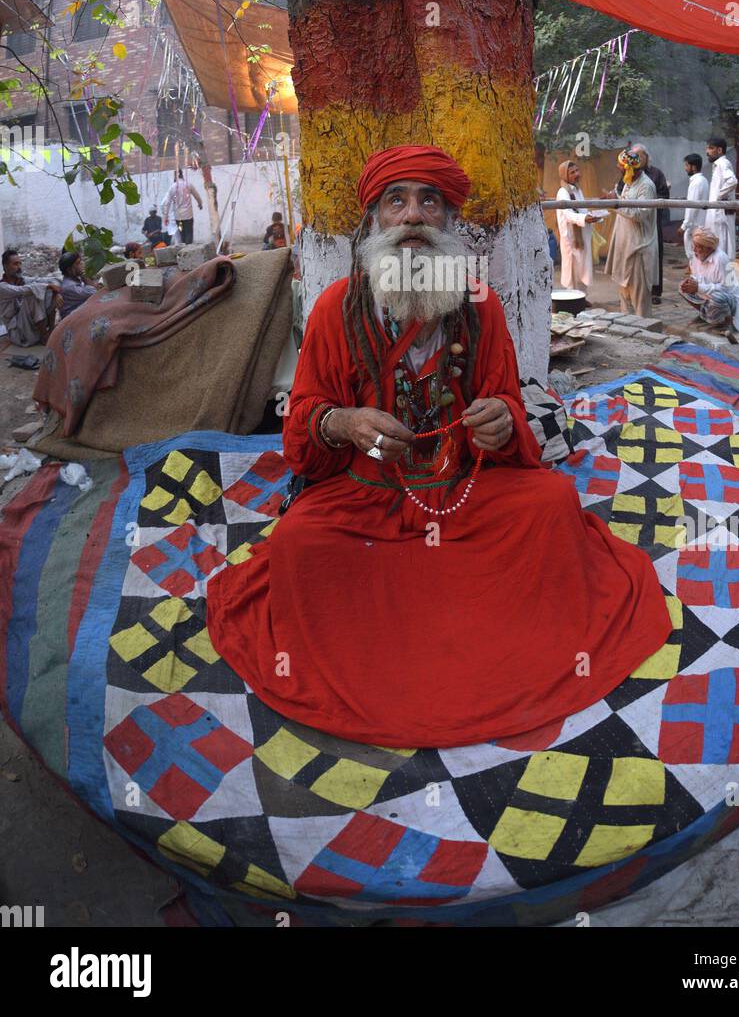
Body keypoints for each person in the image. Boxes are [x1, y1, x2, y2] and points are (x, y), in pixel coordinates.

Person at [207, 143, 671, 747]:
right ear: (375, 221)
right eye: (396, 201)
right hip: (368, 496)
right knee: (300, 542)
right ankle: (398, 654)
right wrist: (344, 424)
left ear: (450, 222)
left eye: (430, 201)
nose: (413, 216)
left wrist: (501, 420)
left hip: (463, 490)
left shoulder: (480, 306)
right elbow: (302, 427)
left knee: (551, 505)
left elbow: (507, 402)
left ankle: (489, 644)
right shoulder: (334, 309)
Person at [604, 149, 658, 317]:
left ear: (627, 168)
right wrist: (616, 198)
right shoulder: (628, 182)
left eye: (620, 165)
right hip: (625, 247)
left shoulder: (646, 186)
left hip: (638, 248)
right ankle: (627, 330)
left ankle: (645, 335)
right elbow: (625, 204)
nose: (617, 167)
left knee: (639, 297)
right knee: (625, 295)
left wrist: (616, 203)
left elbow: (640, 214)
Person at [679, 226, 739, 344]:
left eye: (697, 247)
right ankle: (705, 315)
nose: (694, 249)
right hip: (707, 294)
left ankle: (725, 322)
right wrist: (691, 282)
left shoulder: (722, 259)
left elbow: (727, 289)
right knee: (683, 287)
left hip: (730, 299)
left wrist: (698, 287)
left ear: (707, 248)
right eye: (694, 246)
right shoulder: (696, 256)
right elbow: (696, 276)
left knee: (717, 298)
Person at [629, 144, 669, 303]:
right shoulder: (629, 173)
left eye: (640, 156)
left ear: (646, 156)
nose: (637, 159)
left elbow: (664, 194)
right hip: (634, 222)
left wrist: (647, 199)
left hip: (652, 221)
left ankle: (655, 292)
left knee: (654, 253)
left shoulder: (656, 174)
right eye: (634, 156)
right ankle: (635, 289)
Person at [555, 159, 603, 290]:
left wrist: (591, 216)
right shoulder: (563, 192)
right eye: (572, 172)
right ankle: (573, 301)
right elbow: (568, 215)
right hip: (572, 239)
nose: (577, 174)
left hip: (582, 236)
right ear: (565, 175)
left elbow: (582, 210)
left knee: (583, 268)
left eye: (577, 170)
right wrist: (584, 218)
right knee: (572, 271)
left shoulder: (577, 189)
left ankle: (582, 296)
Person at [0, 247, 61, 344]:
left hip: (29, 325)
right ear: (5, 266)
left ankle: (51, 331)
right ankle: (44, 336)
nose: (19, 267)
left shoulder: (22, 280)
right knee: (32, 294)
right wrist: (49, 286)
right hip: (18, 332)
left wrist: (56, 292)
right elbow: (22, 290)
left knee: (48, 291)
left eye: (20, 263)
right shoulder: (2, 287)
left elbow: (45, 280)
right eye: (15, 264)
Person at [706, 136, 738, 260]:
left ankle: (724, 277)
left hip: (721, 213)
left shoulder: (722, 163)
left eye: (710, 148)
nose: (707, 152)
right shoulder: (718, 165)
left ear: (719, 150)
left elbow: (732, 181)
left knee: (723, 246)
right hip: (718, 213)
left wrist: (718, 197)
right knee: (719, 245)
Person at [679, 153, 710, 258]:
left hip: (694, 225)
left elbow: (692, 206)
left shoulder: (697, 183)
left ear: (694, 167)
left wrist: (684, 226)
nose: (685, 168)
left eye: (687, 165)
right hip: (699, 223)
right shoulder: (703, 180)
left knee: (694, 254)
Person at [161, 170, 202, 245]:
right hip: (188, 216)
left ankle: (184, 251)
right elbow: (197, 196)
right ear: (182, 175)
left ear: (174, 176)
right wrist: (200, 204)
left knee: (182, 233)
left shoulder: (172, 187)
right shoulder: (188, 184)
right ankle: (189, 250)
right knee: (189, 233)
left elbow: (167, 203)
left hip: (178, 218)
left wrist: (166, 217)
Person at [58, 250, 98, 319]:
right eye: (78, 263)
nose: (82, 264)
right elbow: (95, 292)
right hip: (72, 319)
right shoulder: (71, 286)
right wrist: (83, 274)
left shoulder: (73, 279)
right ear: (70, 269)